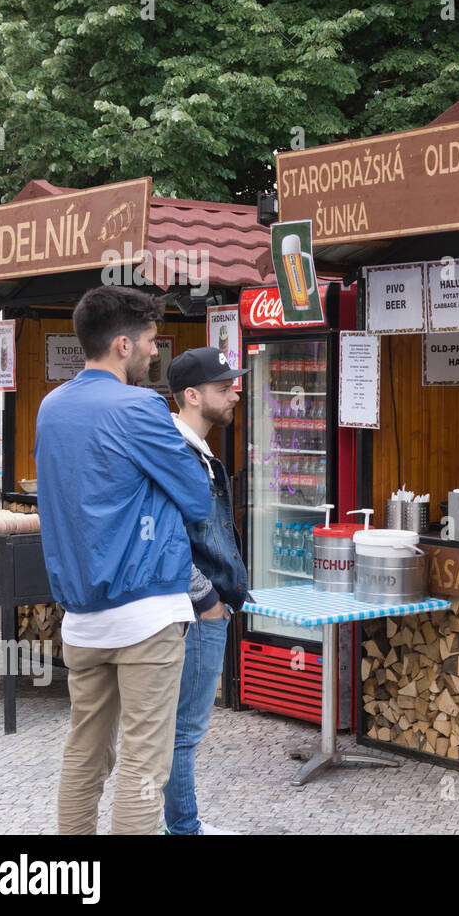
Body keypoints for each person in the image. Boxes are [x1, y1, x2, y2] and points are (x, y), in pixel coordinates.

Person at [35, 285, 212, 835]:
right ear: (120, 346)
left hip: (82, 618)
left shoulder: (49, 407)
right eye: (151, 341)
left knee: (84, 755)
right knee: (142, 765)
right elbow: (198, 497)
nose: (155, 353)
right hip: (146, 614)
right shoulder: (140, 407)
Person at [162, 347, 252, 836]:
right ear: (192, 396)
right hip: (196, 613)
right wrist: (209, 602)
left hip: (198, 610)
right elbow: (171, 540)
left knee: (180, 731)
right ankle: (185, 830)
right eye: (224, 388)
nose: (235, 393)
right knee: (184, 732)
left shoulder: (193, 449)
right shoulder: (181, 454)